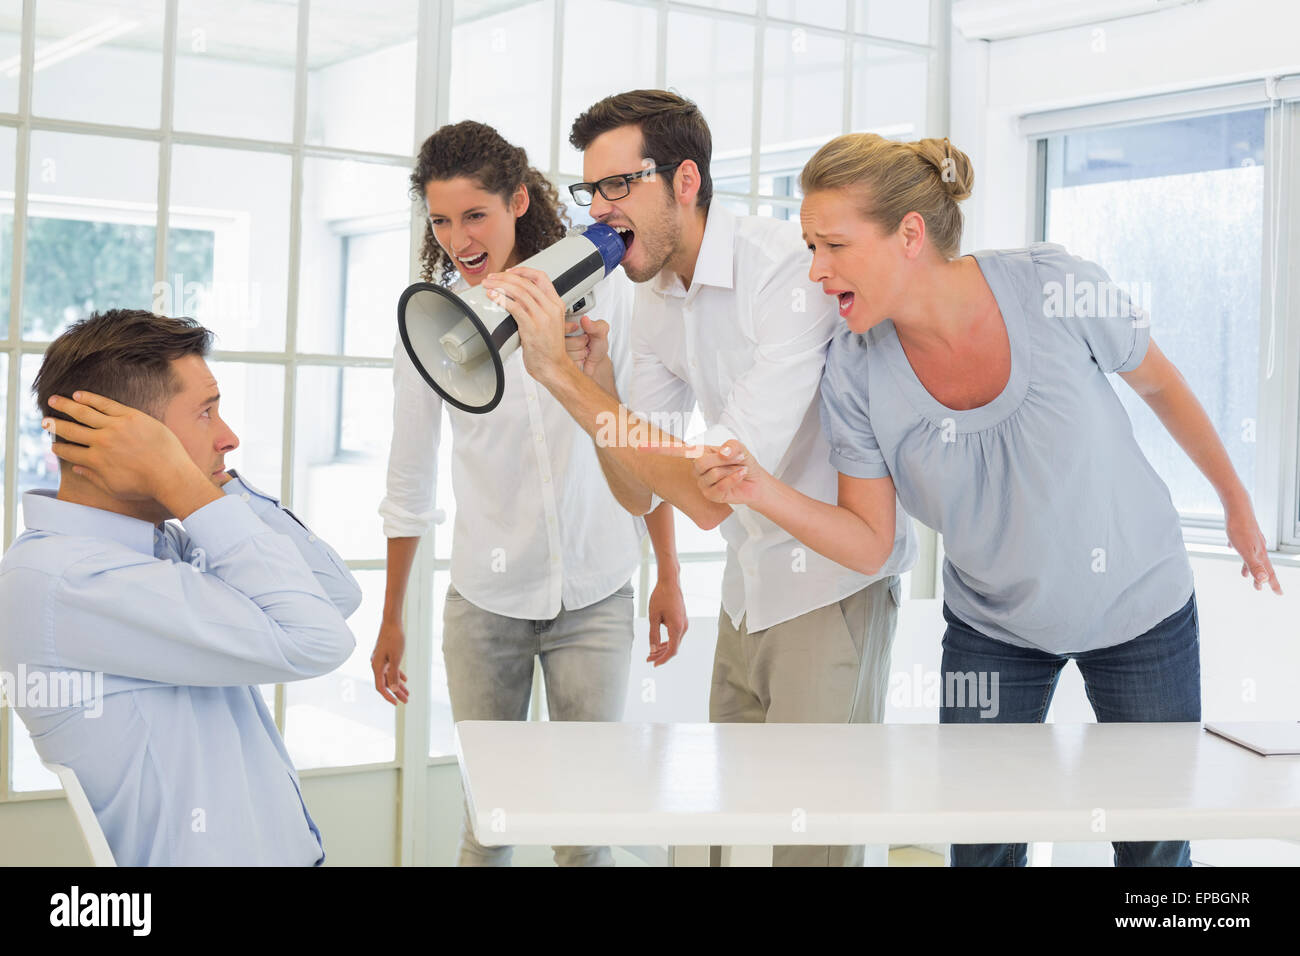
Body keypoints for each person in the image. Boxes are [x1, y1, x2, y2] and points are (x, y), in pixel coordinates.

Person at [664, 131, 1282, 867]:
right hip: (995, 628)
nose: (816, 271)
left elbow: (1159, 383)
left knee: (1152, 845)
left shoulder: (1051, 285)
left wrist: (1235, 500)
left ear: (910, 235)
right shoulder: (857, 370)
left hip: (1140, 608)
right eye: (809, 247)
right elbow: (868, 539)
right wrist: (756, 488)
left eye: (832, 246)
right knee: (983, 846)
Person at [483, 90, 917, 867]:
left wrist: (566, 384)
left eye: (622, 184)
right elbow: (638, 491)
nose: (600, 209)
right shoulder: (651, 300)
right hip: (749, 591)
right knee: (720, 835)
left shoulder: (787, 274)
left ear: (686, 181)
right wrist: (598, 391)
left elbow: (714, 491)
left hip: (830, 589)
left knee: (809, 848)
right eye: (592, 189)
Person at [371, 120, 685, 867]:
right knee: (491, 824)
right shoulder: (434, 330)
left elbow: (639, 437)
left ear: (518, 202)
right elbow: (408, 479)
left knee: (586, 830)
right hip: (486, 607)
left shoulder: (605, 289)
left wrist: (667, 573)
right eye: (441, 221)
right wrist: (391, 620)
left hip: (597, 594)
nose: (459, 238)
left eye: (475, 215)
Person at [0, 309, 360, 866]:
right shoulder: (64, 580)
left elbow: (334, 596)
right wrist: (186, 487)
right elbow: (317, 640)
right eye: (206, 413)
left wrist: (206, 491)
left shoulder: (157, 544)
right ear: (123, 437)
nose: (229, 437)